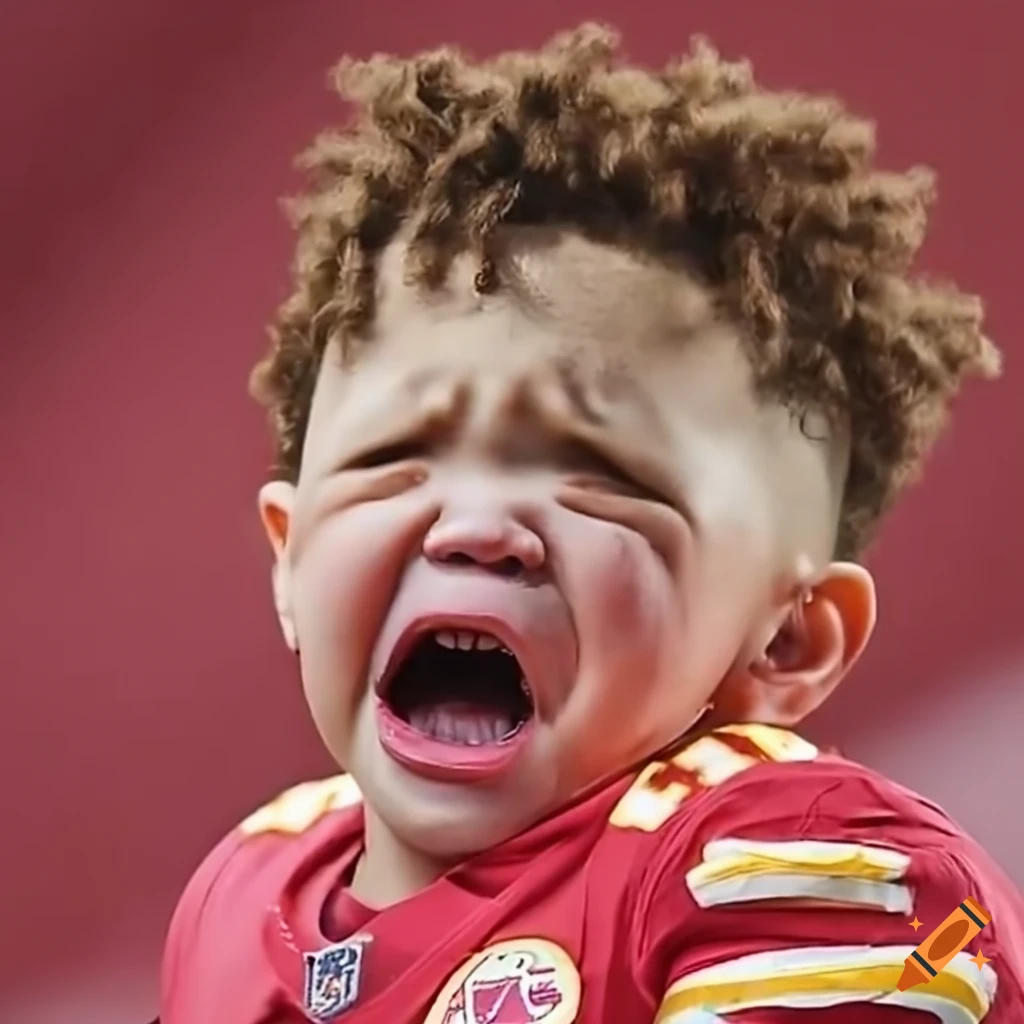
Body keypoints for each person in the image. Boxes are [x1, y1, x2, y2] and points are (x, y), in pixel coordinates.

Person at [158, 23, 1024, 1024]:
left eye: (596, 473)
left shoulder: (804, 877)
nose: (476, 526)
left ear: (785, 638)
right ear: (290, 559)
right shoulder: (243, 886)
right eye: (394, 456)